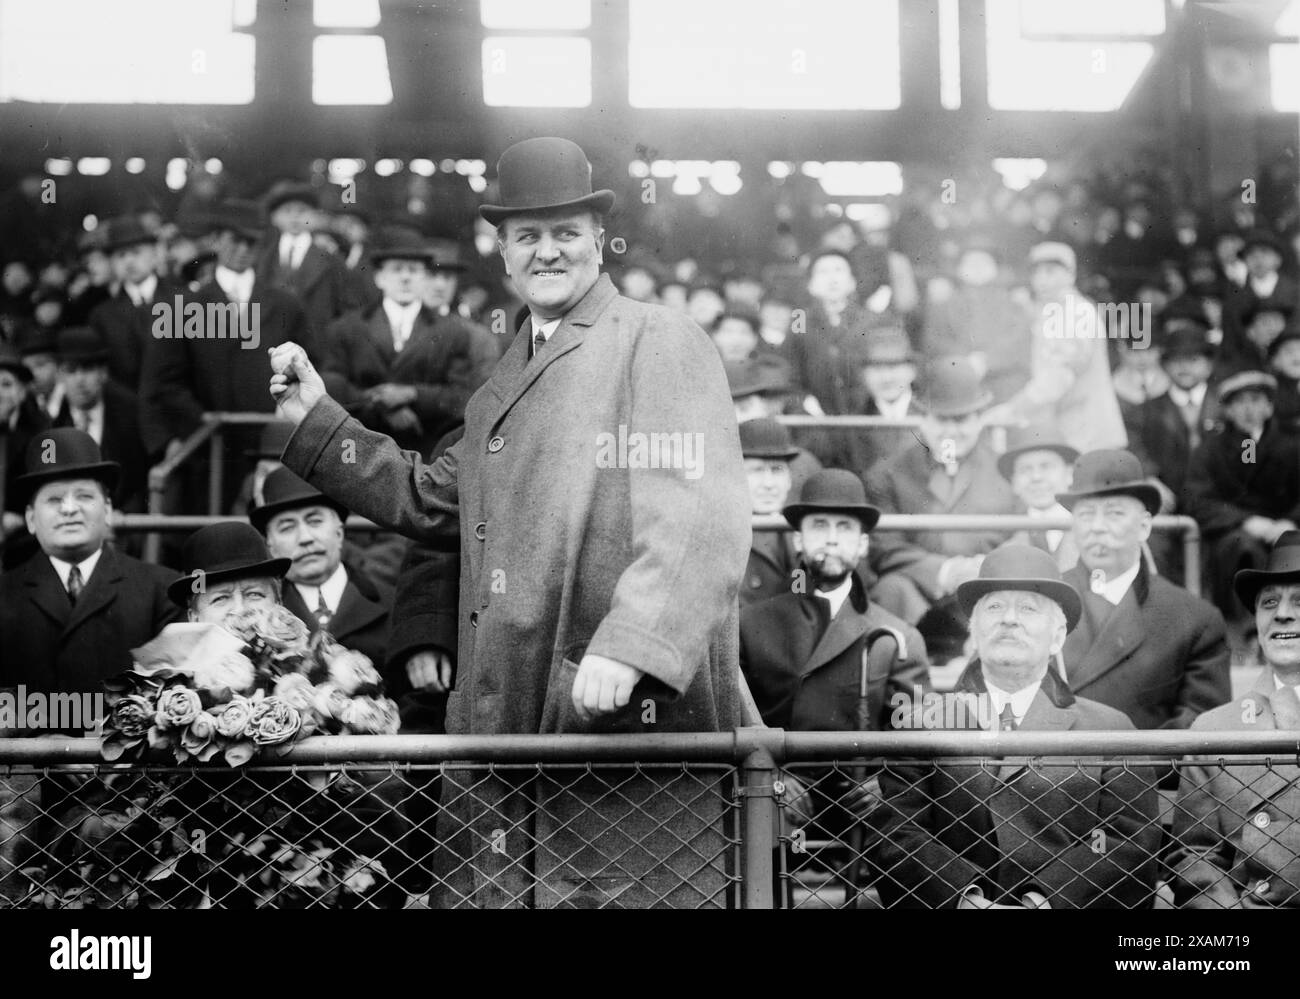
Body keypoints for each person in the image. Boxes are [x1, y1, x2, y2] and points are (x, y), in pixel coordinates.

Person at [269, 136, 750, 908]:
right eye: (527, 235)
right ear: (502, 254)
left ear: (599, 239)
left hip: (614, 719)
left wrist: (632, 642)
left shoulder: (655, 337)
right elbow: (432, 496)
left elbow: (700, 517)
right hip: (509, 725)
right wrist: (320, 420)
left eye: (565, 232)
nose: (546, 251)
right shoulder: (504, 376)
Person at [873, 544, 1161, 909]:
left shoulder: (1111, 730)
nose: (1009, 619)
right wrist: (967, 901)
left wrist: (1044, 901)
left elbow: (1129, 841)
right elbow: (899, 835)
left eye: (1028, 608)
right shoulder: (921, 726)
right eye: (994, 607)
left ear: (1057, 636)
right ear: (973, 631)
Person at [139, 200, 313, 512]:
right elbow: (163, 381)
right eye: (235, 240)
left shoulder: (285, 305)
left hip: (272, 451)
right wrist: (199, 426)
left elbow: (312, 366)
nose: (243, 250)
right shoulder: (184, 306)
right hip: (207, 452)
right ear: (217, 240)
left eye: (252, 242)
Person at [0, 429, 178, 711]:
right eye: (54, 499)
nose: (69, 509)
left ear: (107, 510)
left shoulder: (160, 591)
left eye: (83, 496)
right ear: (31, 518)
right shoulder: (5, 595)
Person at [1168, 531, 1300, 908]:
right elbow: (1195, 856)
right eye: (1269, 602)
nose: (1282, 614)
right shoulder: (1215, 729)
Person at [1059, 449, 1231, 729]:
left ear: (1144, 526)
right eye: (1086, 514)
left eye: (1114, 513)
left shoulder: (1195, 621)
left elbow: (1200, 728)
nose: (1097, 527)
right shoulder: (1044, 602)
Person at [864, 356, 1018, 660]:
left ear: (980, 419)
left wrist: (987, 568)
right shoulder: (888, 473)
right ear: (922, 418)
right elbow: (883, 546)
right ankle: (896, 672)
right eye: (941, 420)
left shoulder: (1006, 471)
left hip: (987, 592)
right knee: (891, 589)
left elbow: (1026, 532)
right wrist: (944, 572)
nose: (951, 431)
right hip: (920, 598)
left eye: (961, 420)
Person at [319, 227, 499, 458]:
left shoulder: (452, 332)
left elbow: (460, 396)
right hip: (359, 448)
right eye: (396, 269)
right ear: (380, 278)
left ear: (424, 278)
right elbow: (333, 383)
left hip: (424, 452)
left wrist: (412, 394)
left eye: (413, 270)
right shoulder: (347, 327)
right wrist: (383, 405)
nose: (405, 277)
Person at [984, 241, 1128, 454]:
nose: (1041, 279)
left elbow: (1059, 376)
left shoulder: (1076, 312)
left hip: (1089, 434)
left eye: (1050, 271)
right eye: (1036, 272)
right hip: (1071, 428)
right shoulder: (1053, 310)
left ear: (1071, 275)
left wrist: (1015, 409)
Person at [250, 466, 393, 673]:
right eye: (287, 527)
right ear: (270, 545)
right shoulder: (261, 616)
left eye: (315, 521)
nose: (305, 538)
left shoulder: (393, 603)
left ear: (339, 532)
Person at [1185, 370, 1300, 623]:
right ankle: (1248, 629)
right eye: (1239, 402)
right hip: (1234, 532)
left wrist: (1289, 522)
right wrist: (1246, 521)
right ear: (1228, 410)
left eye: (1256, 400)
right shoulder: (1210, 450)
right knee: (1243, 548)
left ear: (1269, 407)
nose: (1248, 410)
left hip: (1286, 527)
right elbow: (1198, 499)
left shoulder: (1293, 446)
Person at [50, 327, 149, 515]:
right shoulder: (51, 422)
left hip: (123, 523)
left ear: (103, 373)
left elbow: (140, 483)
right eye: (71, 371)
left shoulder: (132, 417)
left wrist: (124, 516)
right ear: (60, 376)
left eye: (87, 369)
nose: (80, 380)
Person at [88, 216, 181, 392]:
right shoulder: (102, 316)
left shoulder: (182, 300)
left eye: (136, 252)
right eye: (121, 255)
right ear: (112, 263)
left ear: (154, 254)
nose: (129, 261)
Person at [255, 181, 359, 337]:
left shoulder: (331, 259)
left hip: (318, 340)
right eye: (287, 211)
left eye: (302, 211)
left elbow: (347, 306)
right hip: (273, 339)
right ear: (274, 217)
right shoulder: (262, 256)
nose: (294, 217)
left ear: (314, 216)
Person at [738, 417, 802, 607]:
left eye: (777, 470)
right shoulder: (721, 537)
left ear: (789, 479)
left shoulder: (801, 529)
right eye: (756, 470)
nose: (768, 483)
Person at [998, 426, 1079, 571]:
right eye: (1025, 470)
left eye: (1046, 467)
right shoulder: (1008, 550)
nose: (1036, 477)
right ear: (1014, 483)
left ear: (1069, 474)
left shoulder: (1089, 534)